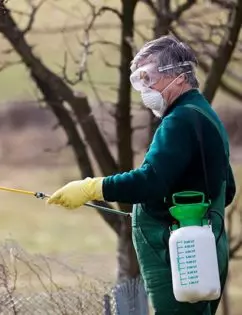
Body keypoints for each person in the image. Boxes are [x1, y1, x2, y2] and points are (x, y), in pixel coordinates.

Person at [47, 35, 236, 315]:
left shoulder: (180, 121)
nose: (144, 89)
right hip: (205, 253)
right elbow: (226, 189)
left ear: (180, 77)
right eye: (139, 80)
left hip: (180, 260)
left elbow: (150, 182)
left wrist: (92, 188)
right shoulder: (203, 114)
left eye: (149, 78)